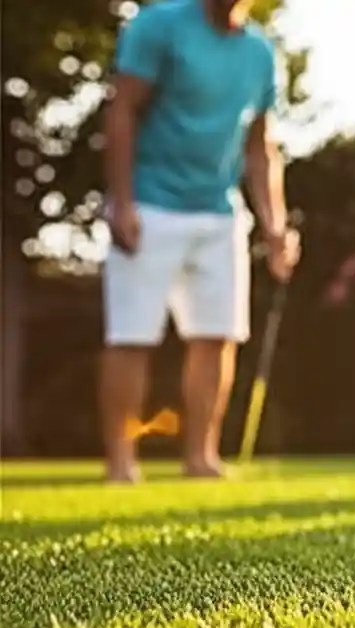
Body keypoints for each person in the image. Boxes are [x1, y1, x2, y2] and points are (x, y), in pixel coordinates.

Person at [101, 0, 298, 484]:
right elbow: (123, 111)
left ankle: (200, 457)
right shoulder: (157, 27)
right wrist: (121, 202)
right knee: (131, 336)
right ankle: (122, 462)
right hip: (150, 205)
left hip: (220, 212)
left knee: (217, 336)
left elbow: (260, 146)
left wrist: (273, 224)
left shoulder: (259, 52)